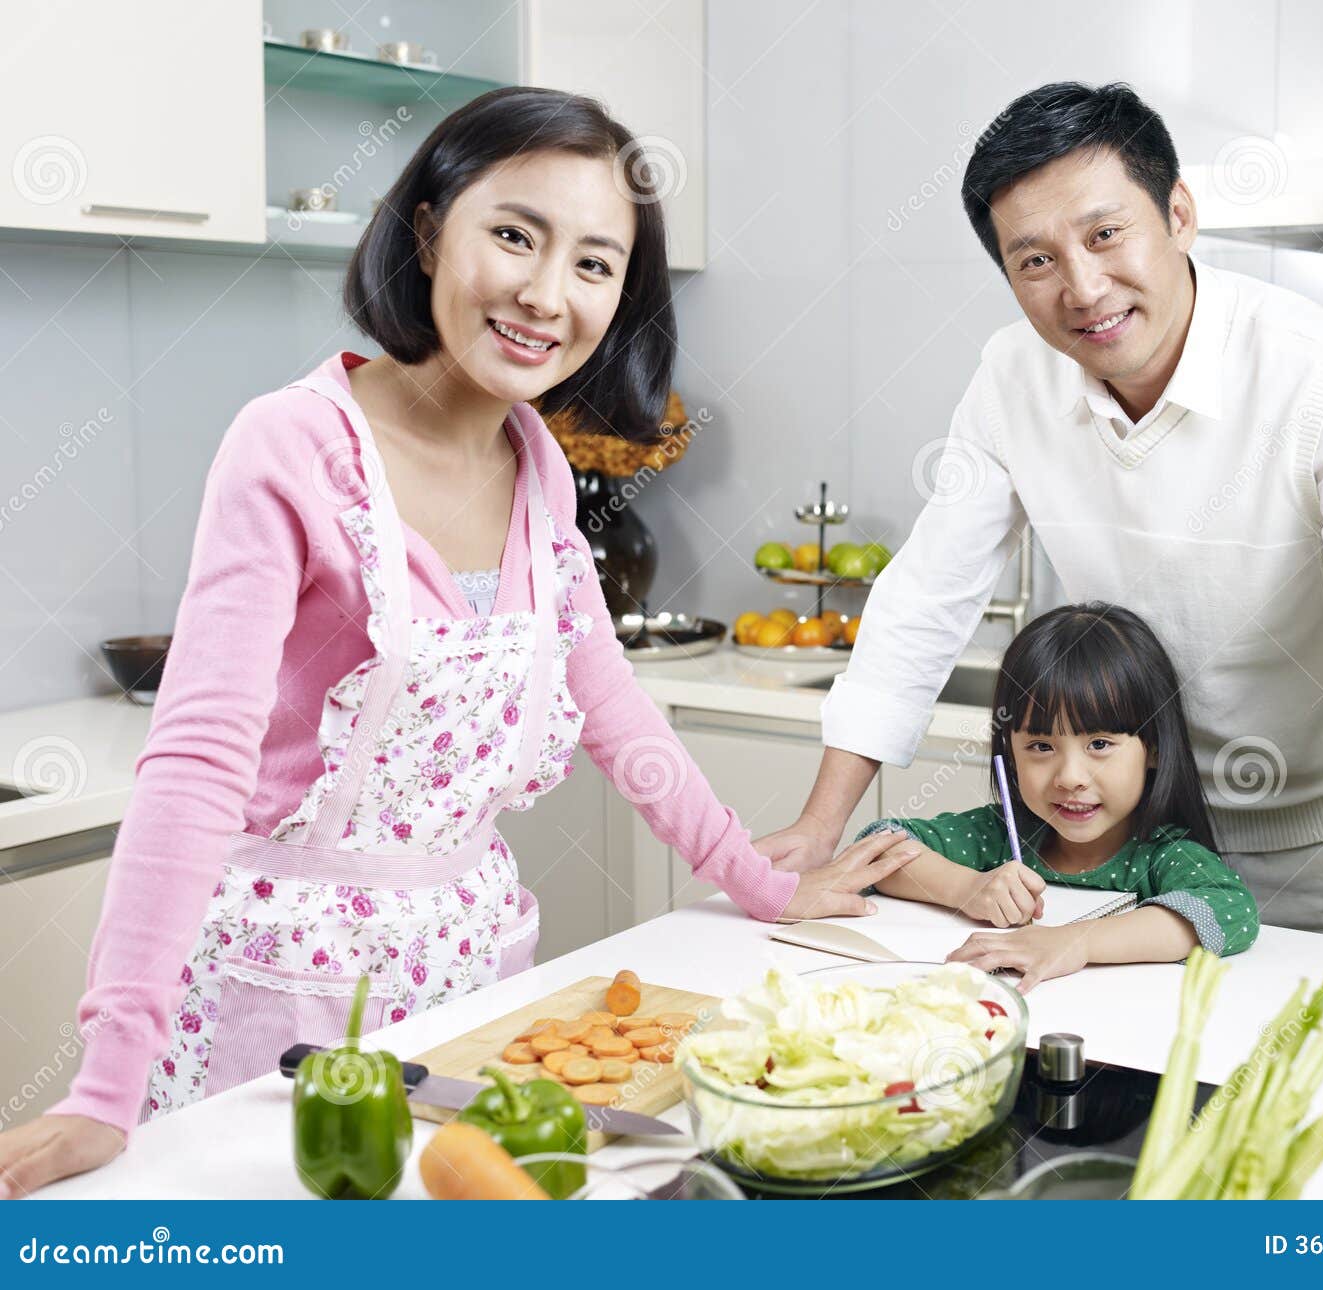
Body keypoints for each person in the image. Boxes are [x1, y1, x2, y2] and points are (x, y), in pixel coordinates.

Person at [0, 87, 912, 1199]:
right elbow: (193, 768)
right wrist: (104, 1083)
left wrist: (757, 883)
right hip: (285, 985)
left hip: (471, 970)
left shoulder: (536, 463)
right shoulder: (291, 448)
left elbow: (615, 713)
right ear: (431, 229)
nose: (543, 294)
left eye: (592, 263)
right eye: (514, 235)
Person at [758, 81, 1323, 1038]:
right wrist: (821, 827)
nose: (1080, 286)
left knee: (1296, 1126)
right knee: (1130, 1113)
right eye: (1035, 259)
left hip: (1320, 848)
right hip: (1125, 848)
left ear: (1181, 214)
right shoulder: (1009, 379)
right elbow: (924, 600)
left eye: (1106, 234)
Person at [856, 604, 1258, 993]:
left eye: (1099, 744)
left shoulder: (1160, 853)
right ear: (1009, 754)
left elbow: (1230, 911)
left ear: (1152, 748)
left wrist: (1076, 942)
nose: (1070, 778)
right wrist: (967, 889)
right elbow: (876, 849)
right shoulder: (999, 835)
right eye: (1041, 746)